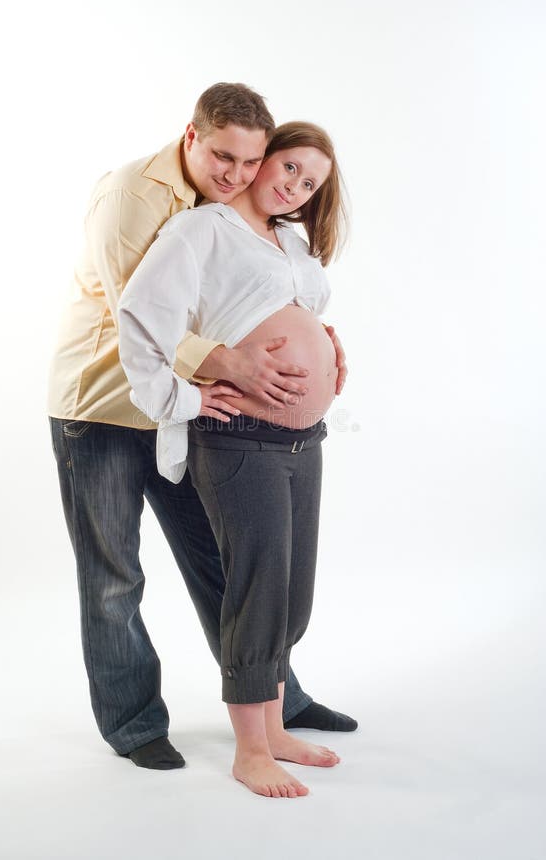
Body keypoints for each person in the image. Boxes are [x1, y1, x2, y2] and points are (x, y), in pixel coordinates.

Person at [48, 83, 356, 773]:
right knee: (113, 576)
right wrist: (234, 365)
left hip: (198, 408)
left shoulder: (238, 209)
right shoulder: (133, 198)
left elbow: (239, 292)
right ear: (191, 135)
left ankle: (278, 697)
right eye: (224, 157)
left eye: (253, 163)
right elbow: (145, 309)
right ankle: (134, 724)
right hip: (101, 406)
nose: (237, 175)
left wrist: (314, 337)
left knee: (231, 558)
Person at [118, 121, 348, 797]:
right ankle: (251, 751)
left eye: (311, 184)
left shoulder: (290, 242)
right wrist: (178, 396)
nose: (295, 187)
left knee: (291, 596)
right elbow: (140, 312)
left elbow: (286, 312)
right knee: (256, 587)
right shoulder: (203, 229)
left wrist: (328, 351)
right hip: (241, 436)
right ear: (265, 158)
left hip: (302, 440)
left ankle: (274, 729)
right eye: (291, 169)